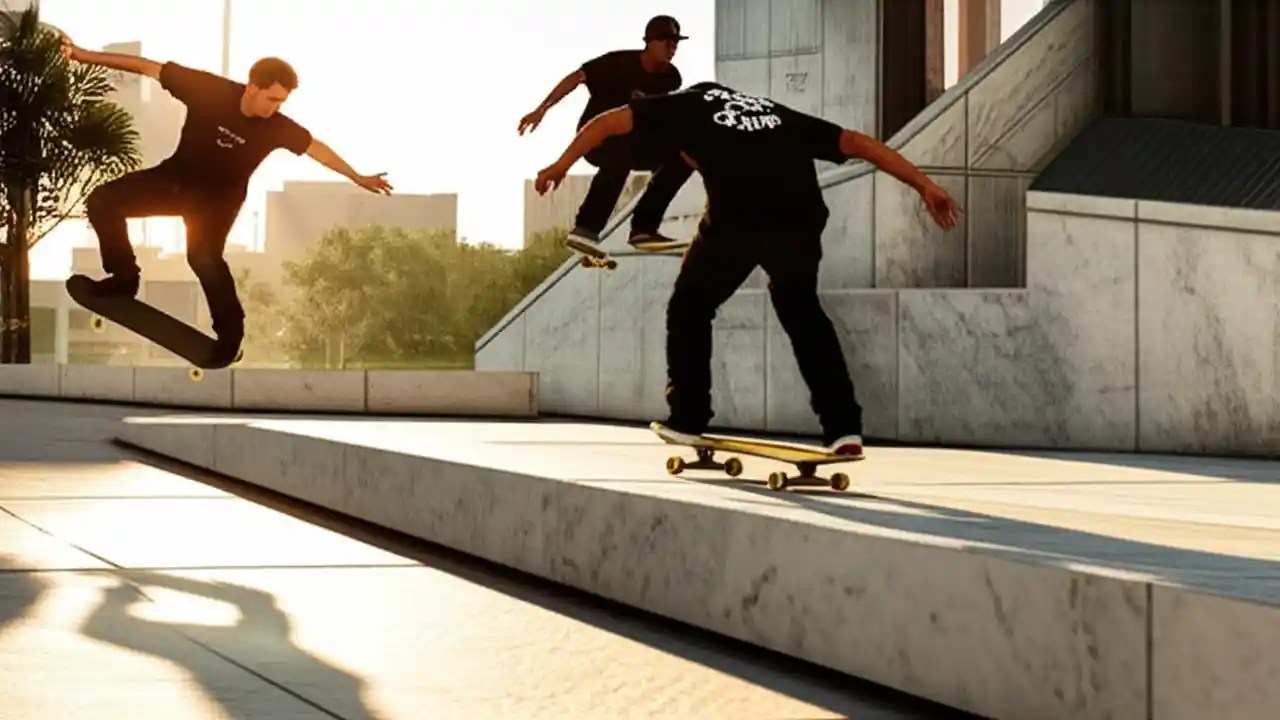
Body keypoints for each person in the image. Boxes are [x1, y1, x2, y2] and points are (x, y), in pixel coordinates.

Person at [535, 82, 962, 456]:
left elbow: (607, 123)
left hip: (737, 223)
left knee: (689, 307)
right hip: (799, 220)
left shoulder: (684, 107)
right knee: (800, 309)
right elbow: (855, 142)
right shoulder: (773, 111)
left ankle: (688, 416)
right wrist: (924, 184)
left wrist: (561, 163)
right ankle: (843, 427)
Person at [59, 34, 392, 361]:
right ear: (252, 87)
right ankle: (124, 277)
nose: (274, 108)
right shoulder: (209, 90)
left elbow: (316, 149)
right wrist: (82, 55)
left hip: (217, 203)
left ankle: (231, 335)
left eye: (281, 103)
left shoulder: (278, 127)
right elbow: (146, 67)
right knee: (103, 201)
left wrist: (356, 176)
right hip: (175, 181)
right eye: (271, 99)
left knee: (203, 257)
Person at [518, 15, 694, 255]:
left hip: (638, 141)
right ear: (649, 42)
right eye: (666, 42)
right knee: (621, 149)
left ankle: (644, 227)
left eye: (675, 44)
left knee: (682, 155)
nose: (671, 49)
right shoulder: (617, 63)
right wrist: (542, 109)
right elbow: (575, 78)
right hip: (595, 140)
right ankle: (586, 228)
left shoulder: (671, 78)